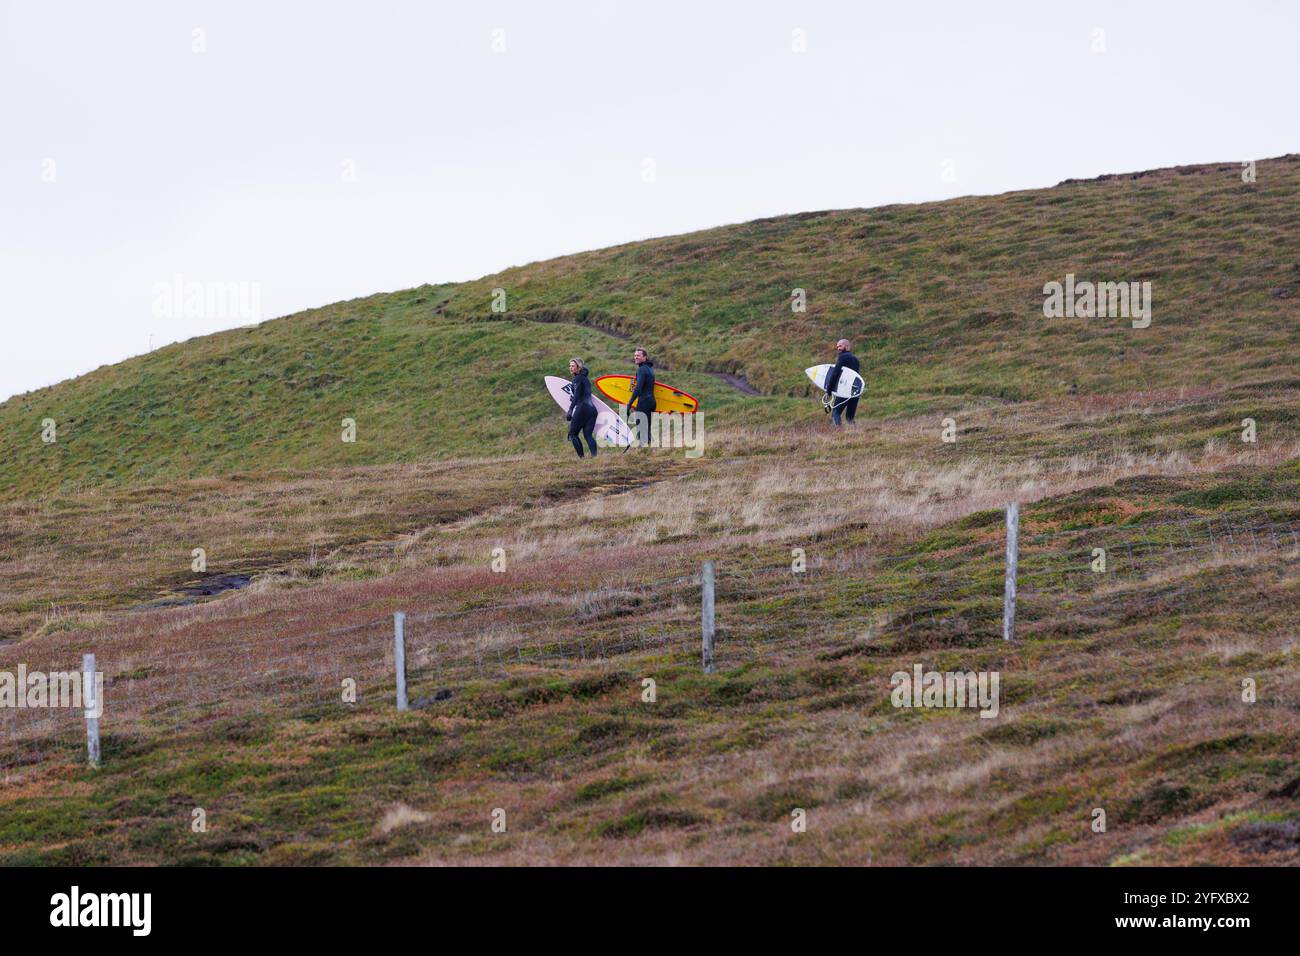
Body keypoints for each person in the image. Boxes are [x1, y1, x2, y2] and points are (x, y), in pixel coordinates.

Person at [565, 358, 598, 458]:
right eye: (570, 366)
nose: (571, 368)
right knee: (588, 435)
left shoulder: (577, 378)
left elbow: (577, 396)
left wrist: (570, 410)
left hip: (582, 408)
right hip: (592, 410)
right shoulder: (585, 379)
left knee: (572, 434)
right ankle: (595, 457)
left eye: (573, 366)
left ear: (579, 368)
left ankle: (582, 458)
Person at [824, 338, 861, 426]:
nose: (838, 348)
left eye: (840, 346)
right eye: (837, 347)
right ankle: (855, 434)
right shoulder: (855, 359)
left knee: (835, 413)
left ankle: (839, 432)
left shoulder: (842, 357)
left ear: (847, 346)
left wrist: (829, 389)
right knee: (850, 417)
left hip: (845, 390)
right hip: (855, 391)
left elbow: (835, 373)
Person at [626, 347, 657, 444]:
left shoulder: (642, 370)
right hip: (651, 401)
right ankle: (648, 450)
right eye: (635, 355)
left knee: (641, 428)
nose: (636, 357)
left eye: (638, 355)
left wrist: (630, 403)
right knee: (646, 428)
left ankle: (643, 451)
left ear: (645, 357)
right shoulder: (650, 369)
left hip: (644, 401)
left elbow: (638, 388)